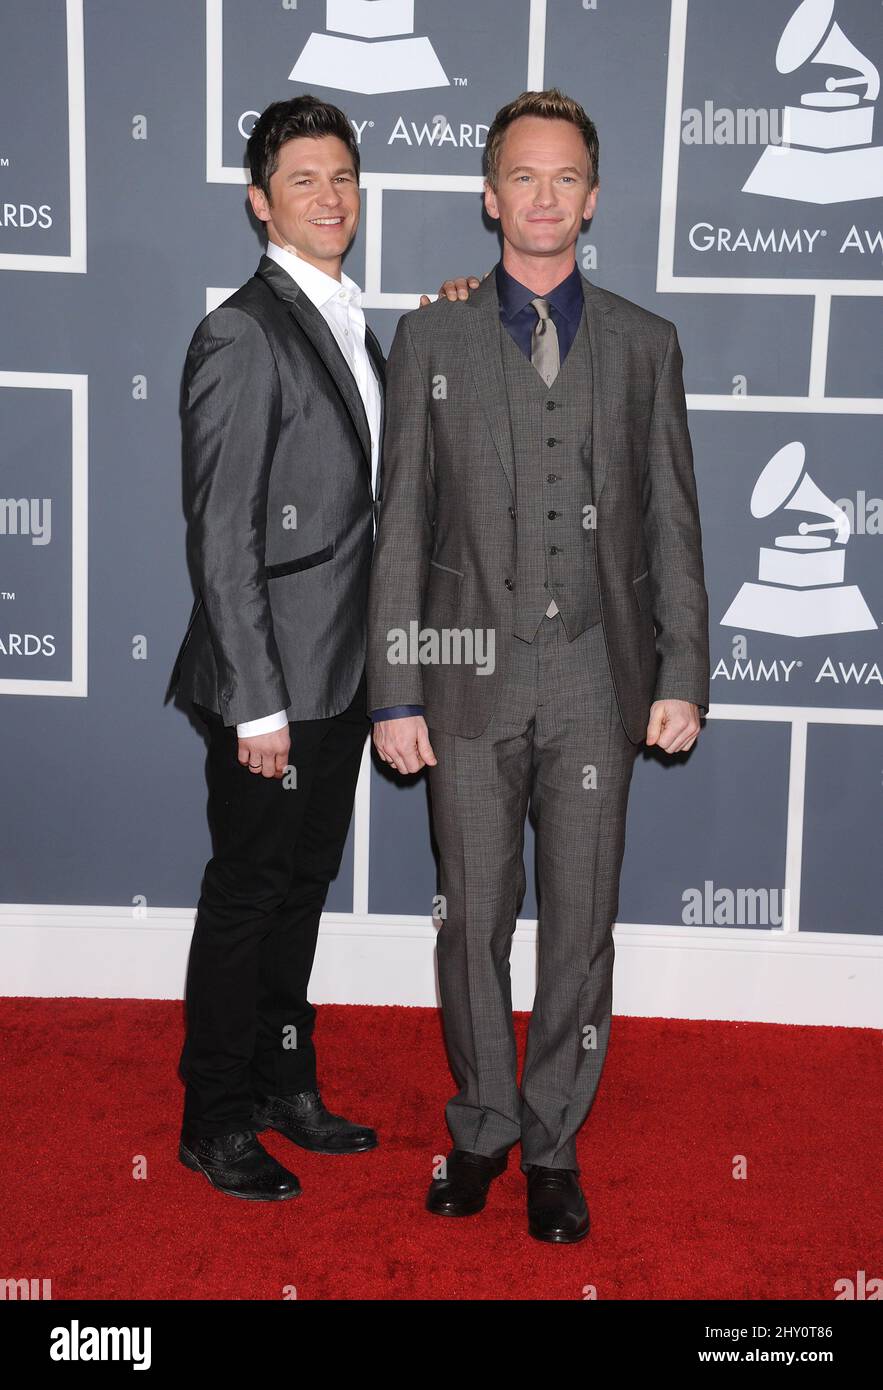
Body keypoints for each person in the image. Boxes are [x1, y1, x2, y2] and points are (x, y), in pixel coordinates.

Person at [367, 88, 710, 1242]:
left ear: (594, 197)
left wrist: (682, 670)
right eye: (524, 175)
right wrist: (397, 685)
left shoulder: (646, 344)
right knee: (471, 920)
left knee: (581, 923)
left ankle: (553, 1141)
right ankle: (479, 1127)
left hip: (592, 678)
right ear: (488, 194)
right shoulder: (430, 337)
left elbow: (673, 525)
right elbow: (401, 525)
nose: (545, 195)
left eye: (566, 177)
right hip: (461, 674)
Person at [166, 94, 477, 1201]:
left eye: (343, 176)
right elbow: (221, 534)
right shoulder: (241, 332)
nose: (331, 196)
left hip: (344, 675)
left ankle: (283, 1083)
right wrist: (256, 702)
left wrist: (454, 318)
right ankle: (213, 1116)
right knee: (249, 891)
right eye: (304, 180)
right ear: (259, 203)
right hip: (272, 684)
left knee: (300, 886)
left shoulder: (355, 320)